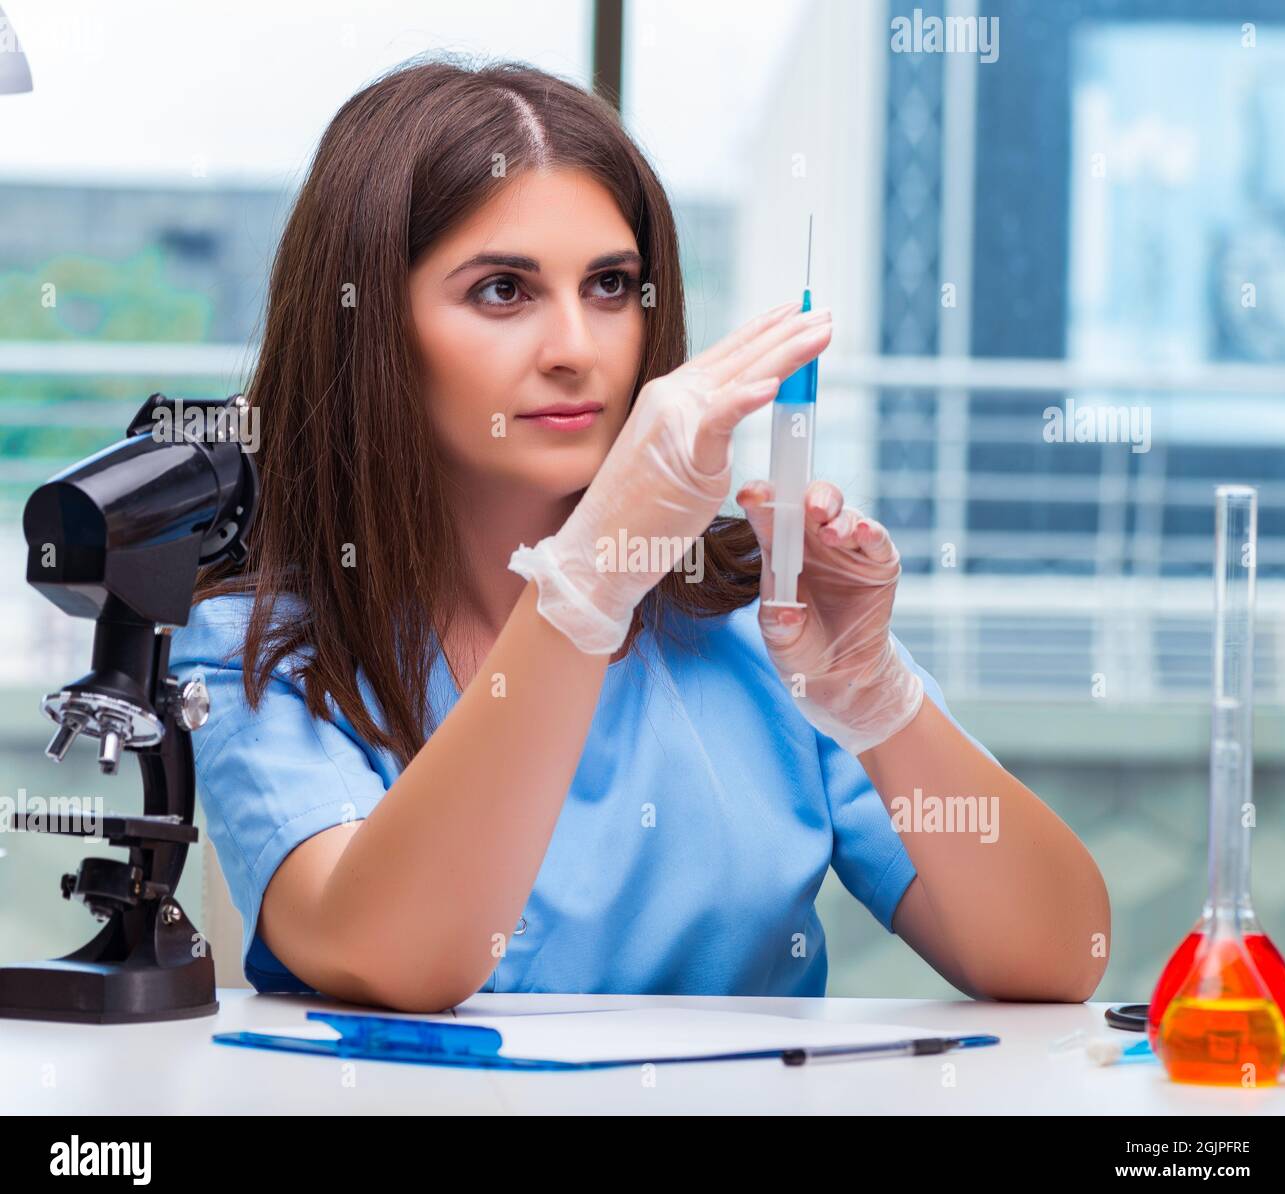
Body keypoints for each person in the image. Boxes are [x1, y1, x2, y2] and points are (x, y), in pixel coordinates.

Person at [171, 55, 1109, 1011]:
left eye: (612, 285)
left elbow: (1061, 952)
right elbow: (392, 955)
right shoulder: (265, 650)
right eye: (503, 290)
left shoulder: (753, 615)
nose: (578, 348)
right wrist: (584, 588)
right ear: (368, 326)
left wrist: (877, 699)